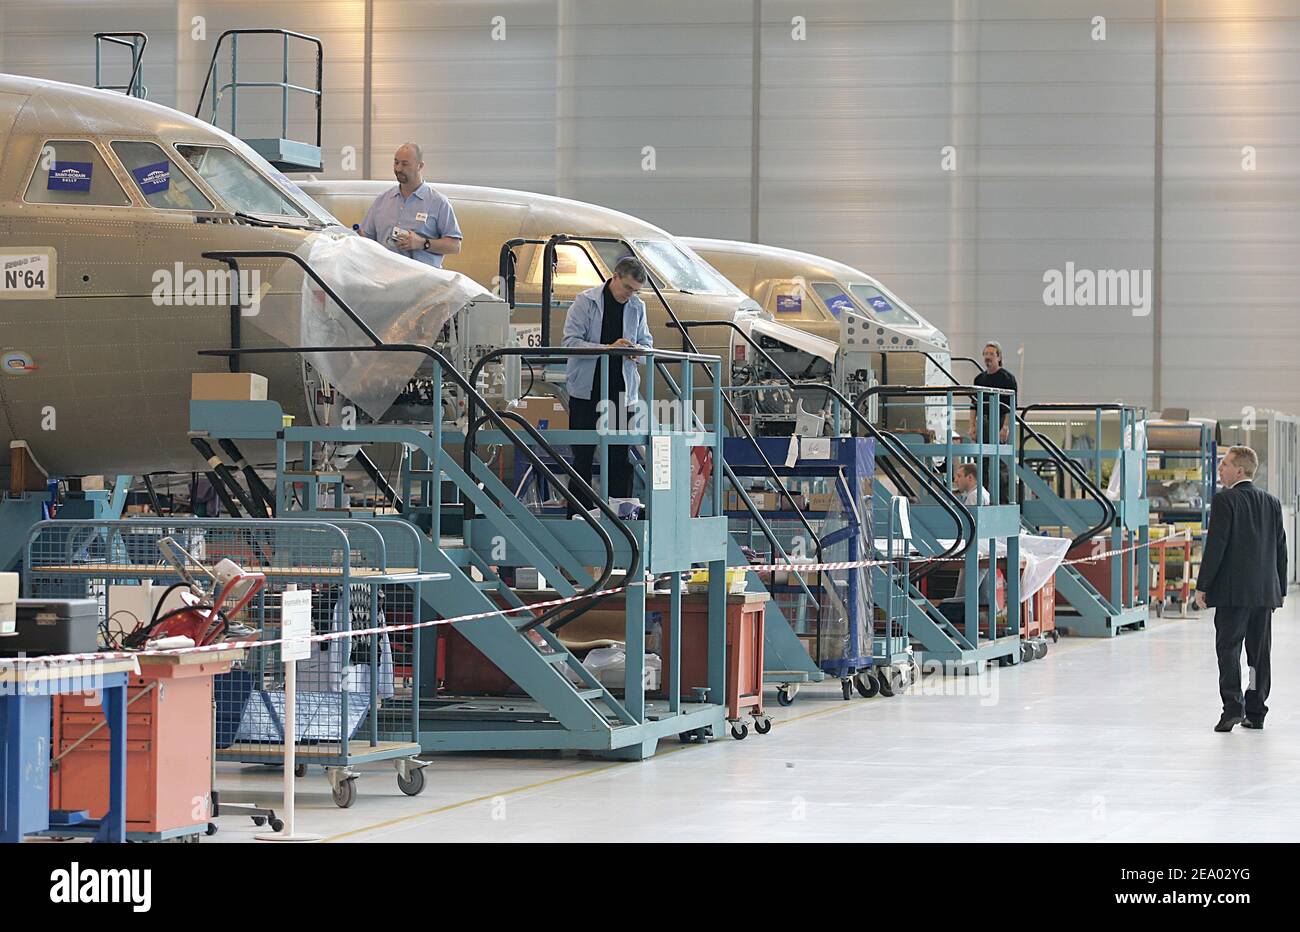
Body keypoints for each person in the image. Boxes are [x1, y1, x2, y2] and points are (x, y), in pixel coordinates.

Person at [1195, 445, 1288, 732]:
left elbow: (1216, 547)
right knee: (1259, 655)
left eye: (1225, 464)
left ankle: (1233, 708)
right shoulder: (1271, 502)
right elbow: (1280, 548)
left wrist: (1203, 587)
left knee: (1229, 649)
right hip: (1264, 594)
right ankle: (1257, 710)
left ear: (1240, 470)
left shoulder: (1226, 500)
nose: (1220, 469)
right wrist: (1279, 588)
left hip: (1232, 594)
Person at [562, 257, 654, 516]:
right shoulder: (585, 302)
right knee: (582, 454)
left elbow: (647, 341)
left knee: (620, 456)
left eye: (635, 291)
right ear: (615, 277)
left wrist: (639, 351)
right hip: (586, 391)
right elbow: (570, 343)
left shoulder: (637, 307)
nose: (630, 295)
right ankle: (578, 512)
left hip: (622, 392)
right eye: (627, 288)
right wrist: (608, 350)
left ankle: (621, 514)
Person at [358, 143, 462, 268]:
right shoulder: (382, 199)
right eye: (396, 163)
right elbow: (366, 237)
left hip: (422, 278)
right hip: (384, 275)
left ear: (420, 166)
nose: (398, 169)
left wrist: (423, 243)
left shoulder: (438, 203)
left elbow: (455, 245)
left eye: (405, 164)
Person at [972, 341, 1018, 502]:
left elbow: (1010, 407)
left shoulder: (1007, 378)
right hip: (983, 422)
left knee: (1000, 464)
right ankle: (984, 500)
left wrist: (1005, 427)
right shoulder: (979, 379)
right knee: (982, 463)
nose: (988, 357)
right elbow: (974, 405)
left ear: (999, 357)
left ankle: (1003, 500)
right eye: (986, 354)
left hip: (998, 421)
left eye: (991, 354)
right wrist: (973, 426)